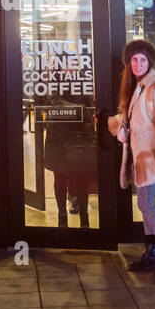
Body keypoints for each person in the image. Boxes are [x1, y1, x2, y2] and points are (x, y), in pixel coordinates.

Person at [109, 39, 155, 280]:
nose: (138, 64)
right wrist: (110, 123)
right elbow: (132, 120)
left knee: (146, 205)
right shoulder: (136, 86)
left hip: (154, 156)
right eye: (134, 60)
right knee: (144, 203)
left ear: (149, 62)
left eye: (142, 60)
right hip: (141, 156)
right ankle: (152, 252)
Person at [44, 96, 96, 228]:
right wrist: (81, 110)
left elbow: (89, 106)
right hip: (58, 138)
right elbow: (56, 102)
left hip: (79, 136)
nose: (69, 73)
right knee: (60, 178)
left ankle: (84, 217)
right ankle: (62, 216)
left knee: (81, 179)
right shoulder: (54, 79)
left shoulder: (83, 76)